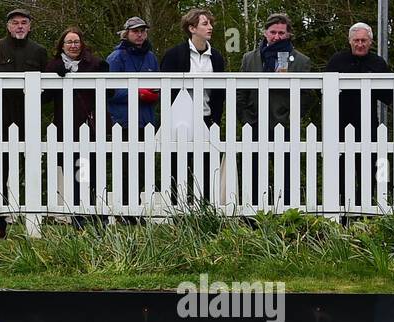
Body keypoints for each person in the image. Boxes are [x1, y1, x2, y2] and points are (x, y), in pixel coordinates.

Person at [0, 8, 48, 237]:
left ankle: (32, 221)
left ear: (30, 26)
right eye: (15, 23)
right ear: (8, 26)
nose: (20, 26)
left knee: (32, 170)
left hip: (28, 117)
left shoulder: (39, 51)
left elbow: (47, 86)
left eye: (24, 22)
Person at [236, 14, 314, 208]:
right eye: (273, 32)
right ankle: (252, 215)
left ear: (288, 34)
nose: (276, 37)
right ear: (265, 32)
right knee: (253, 174)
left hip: (285, 126)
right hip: (254, 124)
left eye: (281, 32)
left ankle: (287, 214)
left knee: (286, 174)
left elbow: (308, 95)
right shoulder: (250, 58)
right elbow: (240, 93)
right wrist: (246, 119)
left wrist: (291, 117)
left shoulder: (301, 61)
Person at [160, 9, 228, 207]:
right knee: (177, 168)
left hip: (207, 119)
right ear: (192, 28)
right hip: (180, 121)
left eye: (210, 24)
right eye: (205, 24)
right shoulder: (174, 55)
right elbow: (166, 90)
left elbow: (219, 94)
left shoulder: (216, 57)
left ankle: (205, 210)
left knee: (207, 168)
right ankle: (175, 210)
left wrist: (215, 119)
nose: (210, 28)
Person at [42, 27, 107, 225]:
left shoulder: (95, 64)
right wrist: (54, 78)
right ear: (62, 45)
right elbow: (44, 98)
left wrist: (106, 75)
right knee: (74, 172)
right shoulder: (53, 65)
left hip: (91, 125)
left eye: (76, 42)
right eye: (69, 42)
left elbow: (108, 93)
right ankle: (78, 218)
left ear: (82, 44)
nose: (73, 45)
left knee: (92, 172)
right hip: (65, 127)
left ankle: (98, 216)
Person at [326, 22, 392, 215]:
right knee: (341, 174)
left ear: (370, 42)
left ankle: (367, 213)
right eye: (356, 40)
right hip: (340, 126)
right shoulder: (337, 61)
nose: (360, 44)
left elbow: (388, 96)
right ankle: (343, 213)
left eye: (364, 40)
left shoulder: (377, 63)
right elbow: (325, 93)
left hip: (369, 126)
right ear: (350, 41)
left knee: (370, 174)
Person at [107, 17, 160, 220]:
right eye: (135, 31)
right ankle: (123, 211)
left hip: (146, 120)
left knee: (142, 167)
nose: (139, 35)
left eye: (143, 31)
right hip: (123, 121)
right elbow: (109, 91)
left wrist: (154, 93)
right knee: (124, 167)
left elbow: (158, 85)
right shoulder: (116, 58)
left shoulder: (151, 58)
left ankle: (136, 209)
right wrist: (137, 93)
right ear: (126, 33)